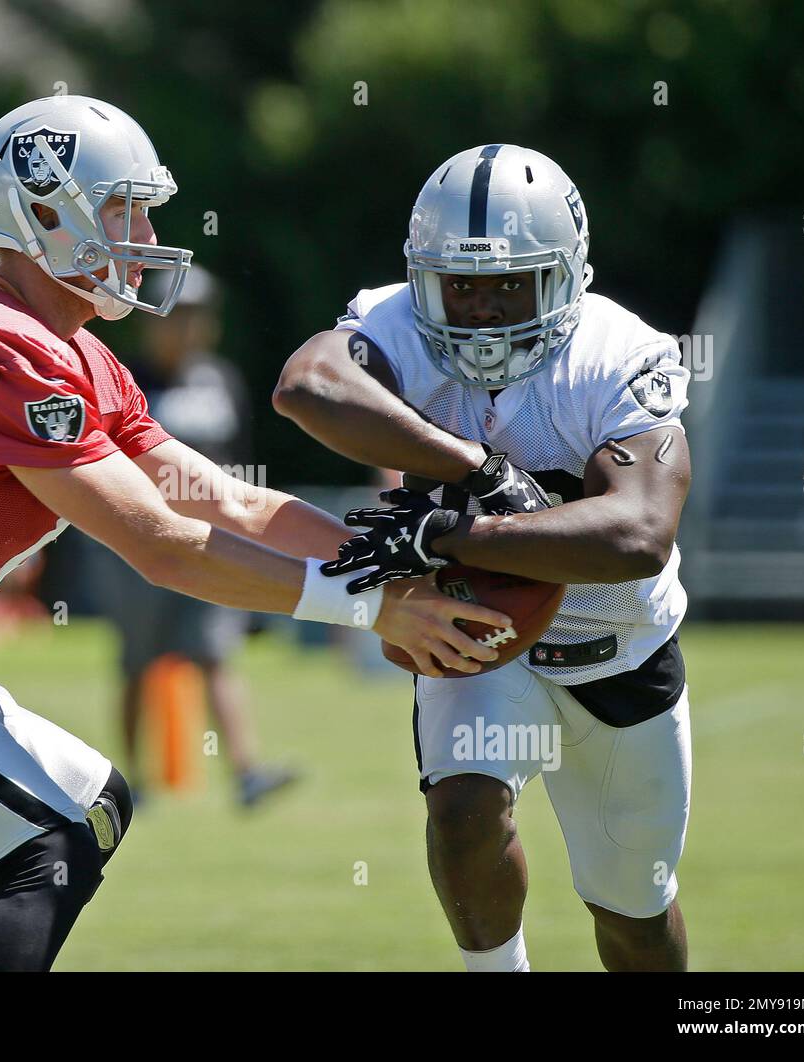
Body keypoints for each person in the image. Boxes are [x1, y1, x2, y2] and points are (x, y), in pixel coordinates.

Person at [0, 96, 508, 971]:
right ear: (46, 211)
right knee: (42, 843)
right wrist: (371, 607)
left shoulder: (77, 353)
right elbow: (160, 546)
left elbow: (225, 503)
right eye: (126, 206)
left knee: (93, 806)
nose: (147, 229)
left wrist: (386, 558)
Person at [274, 144, 693, 972]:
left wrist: (453, 534)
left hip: (617, 648)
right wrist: (481, 473)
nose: (484, 310)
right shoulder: (394, 322)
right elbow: (304, 387)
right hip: (472, 628)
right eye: (460, 285)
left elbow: (639, 535)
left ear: (566, 276)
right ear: (423, 278)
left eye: (512, 283)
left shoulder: (620, 355)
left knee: (632, 912)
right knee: (463, 812)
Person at [92, 265, 296, 807]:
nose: (187, 329)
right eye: (177, 317)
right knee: (139, 659)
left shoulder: (220, 379)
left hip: (213, 538)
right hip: (138, 538)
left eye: (198, 317)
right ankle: (131, 779)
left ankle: (247, 772)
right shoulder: (125, 379)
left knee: (214, 652)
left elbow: (242, 461)